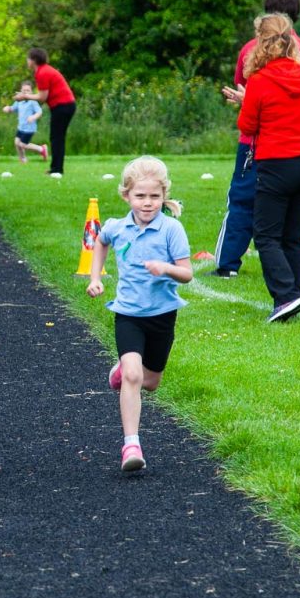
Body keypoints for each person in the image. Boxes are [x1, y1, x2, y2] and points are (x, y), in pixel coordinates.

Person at [85, 157, 192, 474]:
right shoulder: (118, 227)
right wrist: (95, 277)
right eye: (140, 196)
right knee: (134, 375)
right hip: (128, 314)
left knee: (151, 382)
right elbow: (100, 242)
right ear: (126, 196)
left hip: (162, 315)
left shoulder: (171, 229)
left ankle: (122, 373)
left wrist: (167, 269)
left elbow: (186, 274)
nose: (147, 203)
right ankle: (131, 443)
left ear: (164, 195)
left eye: (154, 196)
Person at [214, 0, 300, 279]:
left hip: (259, 146)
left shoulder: (250, 53)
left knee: (242, 202)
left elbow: (246, 102)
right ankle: (290, 279)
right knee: (290, 221)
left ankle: (229, 265)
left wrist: (251, 101)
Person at [236, 13, 300, 324]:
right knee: (292, 235)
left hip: (278, 162)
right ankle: (293, 295)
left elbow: (247, 124)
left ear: (262, 42)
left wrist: (247, 101)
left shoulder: (259, 81)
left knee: (266, 235)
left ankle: (286, 295)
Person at [18, 48, 76, 178]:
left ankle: (57, 170)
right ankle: (55, 168)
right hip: (64, 106)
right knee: (57, 138)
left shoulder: (42, 73)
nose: (27, 61)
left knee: (57, 138)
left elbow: (42, 97)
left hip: (63, 106)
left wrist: (25, 97)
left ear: (34, 60)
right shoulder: (45, 70)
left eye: (28, 58)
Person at [3, 81, 47, 164]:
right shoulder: (19, 101)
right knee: (17, 143)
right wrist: (8, 108)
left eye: (28, 91)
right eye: (24, 91)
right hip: (21, 127)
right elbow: (13, 108)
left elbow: (39, 112)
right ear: (21, 91)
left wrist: (33, 117)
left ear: (31, 92)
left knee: (22, 145)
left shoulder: (33, 102)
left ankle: (41, 149)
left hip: (29, 128)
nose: (26, 93)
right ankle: (22, 159)